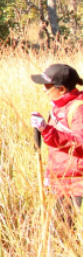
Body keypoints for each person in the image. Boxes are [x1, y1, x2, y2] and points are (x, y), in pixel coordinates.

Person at [30, 63, 83, 225]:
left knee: (66, 239)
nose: (44, 90)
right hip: (60, 184)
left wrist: (47, 130)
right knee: (59, 238)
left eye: (47, 86)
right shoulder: (57, 110)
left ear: (62, 89)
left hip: (77, 185)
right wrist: (48, 178)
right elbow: (56, 153)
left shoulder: (78, 109)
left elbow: (79, 144)